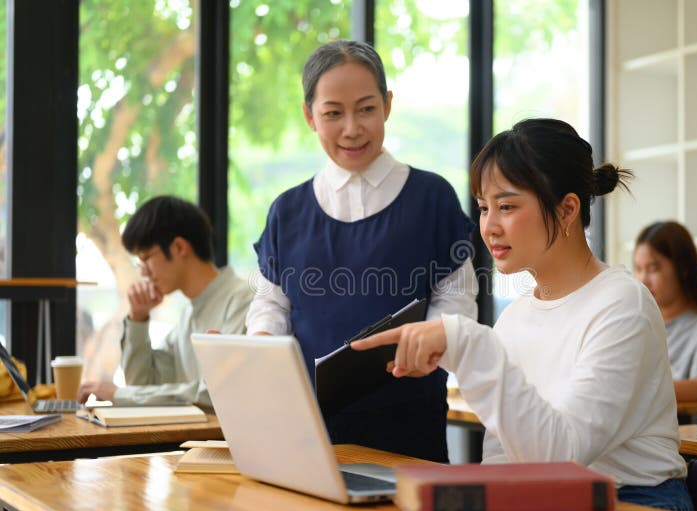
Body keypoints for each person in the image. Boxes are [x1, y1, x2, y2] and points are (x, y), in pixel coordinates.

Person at [352, 118, 693, 511]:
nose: (489, 227)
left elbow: (562, 457)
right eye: (484, 208)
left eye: (507, 206)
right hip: (547, 500)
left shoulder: (623, 304)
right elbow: (503, 459)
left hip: (634, 505)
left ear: (567, 209)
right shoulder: (516, 317)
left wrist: (466, 342)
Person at [246, 40, 477, 463]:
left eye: (366, 109)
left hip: (409, 431)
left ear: (387, 105)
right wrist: (260, 344)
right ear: (309, 116)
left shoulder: (432, 198)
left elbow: (457, 298)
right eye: (333, 113)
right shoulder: (287, 211)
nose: (352, 128)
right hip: (306, 434)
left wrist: (432, 340)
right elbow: (271, 303)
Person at [77, 196, 252, 409]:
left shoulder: (242, 301)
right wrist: (138, 319)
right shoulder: (189, 314)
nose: (143, 272)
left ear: (179, 247)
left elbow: (216, 393)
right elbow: (142, 384)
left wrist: (121, 394)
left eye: (146, 258)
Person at [633, 221, 697, 420]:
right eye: (638, 268)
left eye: (653, 269)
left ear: (683, 268)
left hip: (684, 435)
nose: (643, 280)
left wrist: (634, 388)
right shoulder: (635, 323)